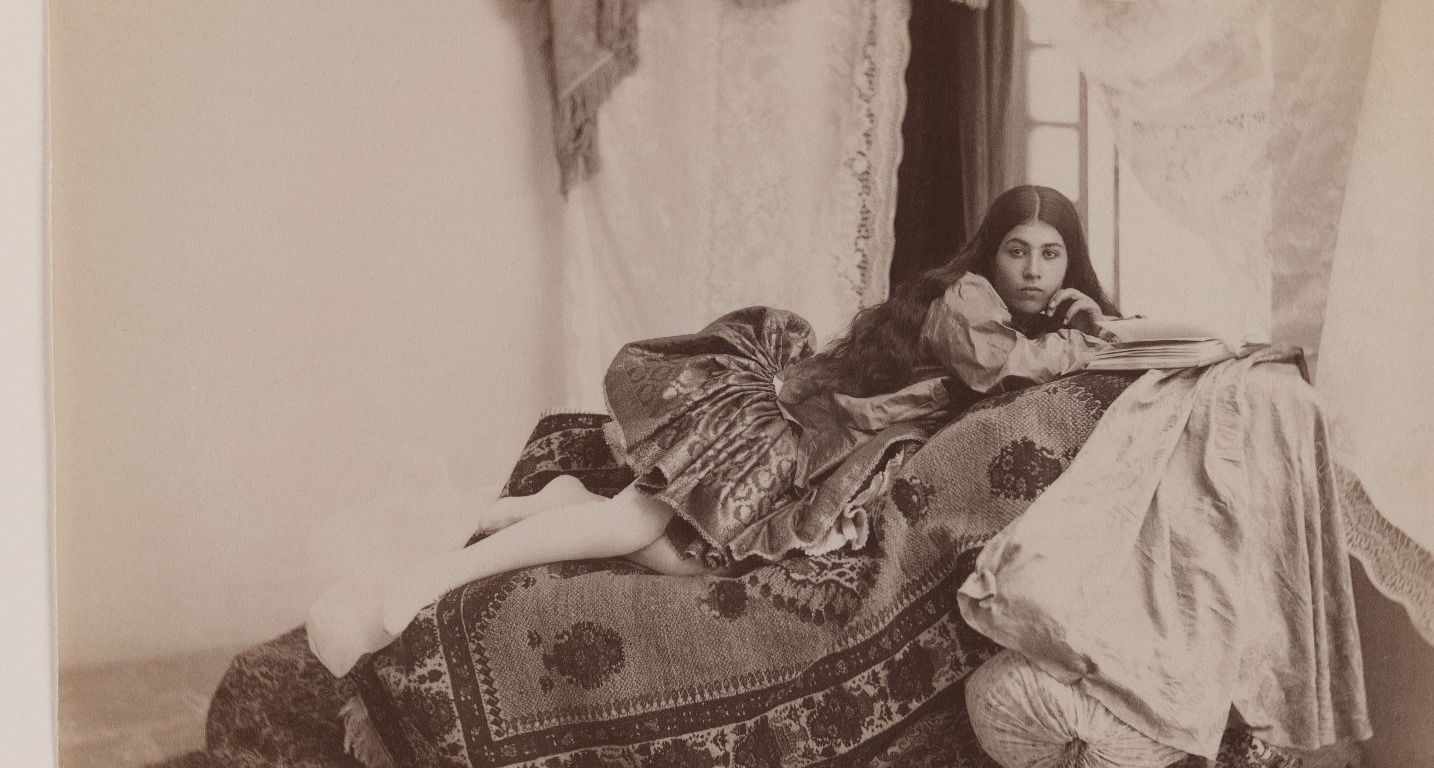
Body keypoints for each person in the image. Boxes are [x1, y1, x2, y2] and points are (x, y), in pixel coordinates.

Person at [305, 185, 1123, 676]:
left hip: (822, 439)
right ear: (992, 251)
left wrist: (1082, 321)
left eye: (1052, 256)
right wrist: (1083, 330)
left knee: (665, 556)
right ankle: (439, 576)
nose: (1034, 271)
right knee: (634, 525)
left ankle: (554, 499)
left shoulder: (1017, 315)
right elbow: (1005, 370)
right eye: (1020, 250)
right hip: (790, 422)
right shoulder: (971, 304)